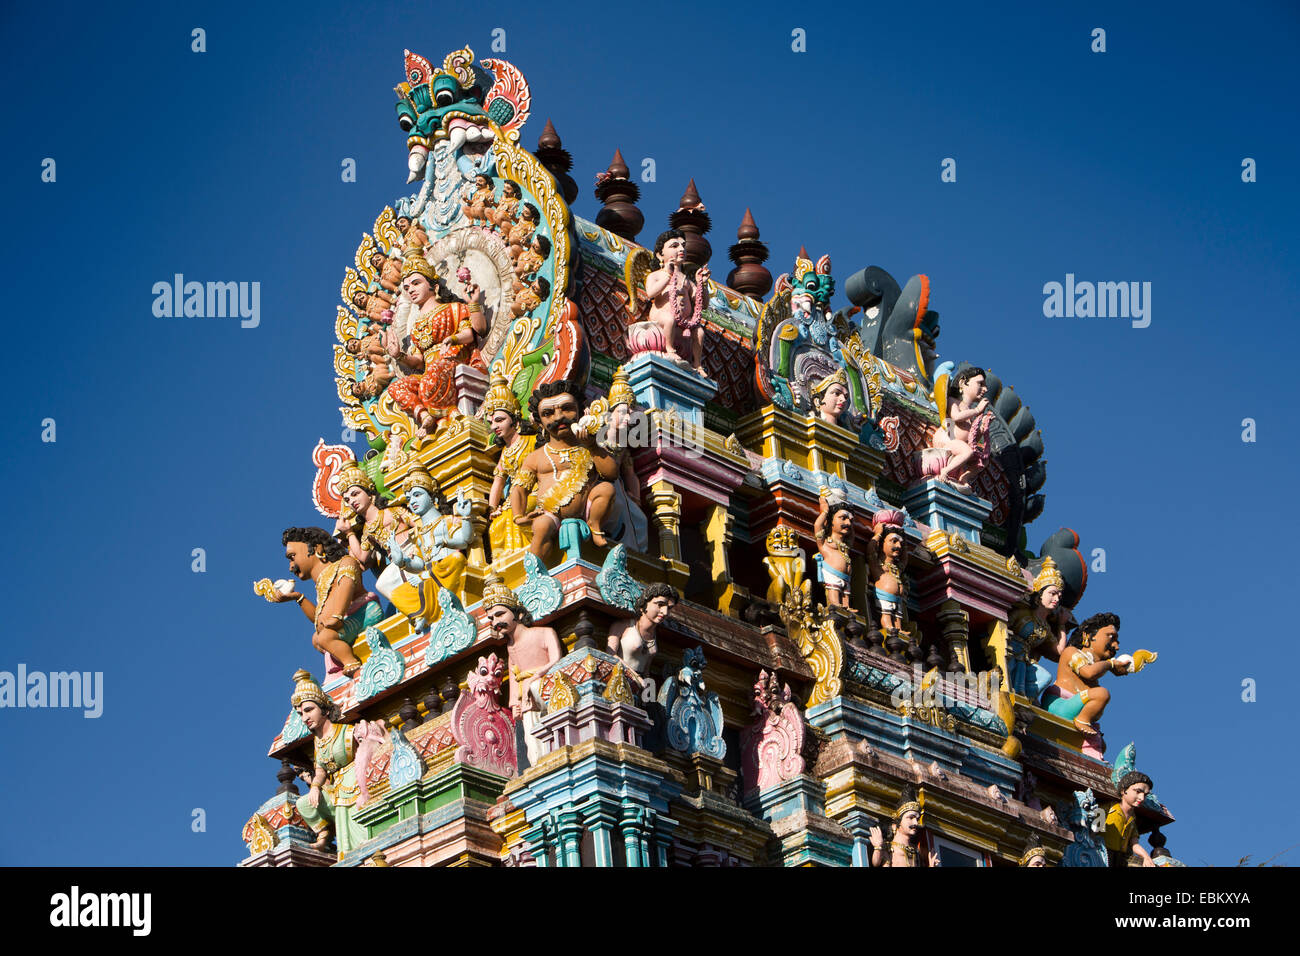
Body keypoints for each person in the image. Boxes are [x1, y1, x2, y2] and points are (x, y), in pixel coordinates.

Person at [510, 379, 624, 559]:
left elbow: (611, 473)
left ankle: (595, 525)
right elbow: (519, 489)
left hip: (587, 508)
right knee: (541, 527)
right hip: (549, 513)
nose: (558, 417)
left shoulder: (590, 446)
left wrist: (593, 446)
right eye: (548, 413)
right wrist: (518, 516)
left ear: (581, 412)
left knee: (606, 489)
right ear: (540, 423)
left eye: (566, 409)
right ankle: (537, 575)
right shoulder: (536, 457)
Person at [385, 254, 487, 436]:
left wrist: (452, 339)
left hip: (452, 359)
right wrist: (398, 355)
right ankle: (425, 416)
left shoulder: (453, 309)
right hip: (430, 371)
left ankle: (448, 414)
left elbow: (472, 333)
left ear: (435, 286)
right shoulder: (416, 327)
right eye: (407, 288)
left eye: (416, 283)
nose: (411, 290)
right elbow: (418, 361)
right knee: (396, 387)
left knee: (432, 376)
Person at [290, 669, 386, 858]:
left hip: (358, 783)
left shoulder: (348, 732)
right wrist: (315, 787)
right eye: (301, 713)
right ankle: (325, 832)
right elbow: (320, 771)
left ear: (324, 710)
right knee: (304, 803)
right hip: (338, 789)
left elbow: (371, 753)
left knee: (360, 829)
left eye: (309, 710)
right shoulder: (318, 742)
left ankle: (370, 854)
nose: (305, 718)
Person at [268, 527, 382, 679]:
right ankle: (340, 662)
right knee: (317, 638)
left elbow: (346, 587)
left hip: (365, 612)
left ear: (317, 548)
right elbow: (318, 617)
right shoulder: (321, 583)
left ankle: (352, 664)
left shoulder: (345, 563)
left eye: (292, 557)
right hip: (342, 622)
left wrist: (337, 616)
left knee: (325, 637)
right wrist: (298, 597)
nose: (291, 566)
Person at [482, 574, 564, 768]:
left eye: (500, 614)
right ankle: (539, 768)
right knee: (532, 738)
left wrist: (536, 678)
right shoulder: (511, 648)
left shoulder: (544, 633)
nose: (495, 622)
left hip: (548, 689)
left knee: (553, 730)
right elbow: (513, 676)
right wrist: (514, 702)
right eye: (491, 618)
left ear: (517, 614)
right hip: (526, 700)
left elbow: (556, 660)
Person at [1042, 612, 1131, 735]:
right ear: (1087, 636)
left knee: (1100, 744)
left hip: (1073, 708)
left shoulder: (1095, 680)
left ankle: (1083, 723)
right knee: (1102, 694)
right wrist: (1110, 664)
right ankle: (1082, 721)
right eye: (1111, 637)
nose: (1116, 647)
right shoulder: (1071, 652)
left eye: (1117, 642)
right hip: (1059, 705)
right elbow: (1088, 673)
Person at [481, 373, 536, 559]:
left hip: (535, 492)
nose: (495, 426)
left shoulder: (532, 441)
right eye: (491, 423)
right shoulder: (505, 452)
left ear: (515, 418)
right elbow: (498, 481)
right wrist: (491, 508)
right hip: (514, 498)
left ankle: (526, 555)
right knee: (496, 525)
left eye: (499, 420)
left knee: (515, 515)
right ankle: (508, 562)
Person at [643, 229, 710, 374]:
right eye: (674, 246)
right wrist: (668, 276)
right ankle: (670, 349)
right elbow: (650, 293)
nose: (681, 249)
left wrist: (702, 284)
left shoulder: (686, 280)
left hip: (684, 324)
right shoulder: (656, 275)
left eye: (683, 246)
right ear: (660, 254)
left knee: (699, 331)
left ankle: (697, 364)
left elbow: (703, 304)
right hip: (661, 316)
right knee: (669, 318)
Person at [1005, 557, 1070, 704]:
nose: (1056, 599)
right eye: (1052, 593)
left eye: (1059, 596)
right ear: (1040, 594)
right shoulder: (1022, 614)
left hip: (1024, 659)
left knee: (1045, 677)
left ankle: (1027, 701)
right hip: (1008, 652)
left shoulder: (1045, 627)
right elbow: (1003, 626)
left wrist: (1061, 625)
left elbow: (1059, 651)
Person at [926, 366, 994, 492]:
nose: (985, 389)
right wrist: (977, 410)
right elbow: (956, 417)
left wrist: (983, 427)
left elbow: (970, 438)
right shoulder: (953, 401)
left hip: (959, 444)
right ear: (963, 383)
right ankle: (945, 471)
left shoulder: (969, 412)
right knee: (967, 451)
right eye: (980, 383)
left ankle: (964, 478)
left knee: (982, 460)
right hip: (947, 439)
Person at [606, 583, 678, 696]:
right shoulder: (623, 626)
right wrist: (636, 677)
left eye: (669, 608)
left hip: (640, 689)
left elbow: (646, 670)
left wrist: (650, 694)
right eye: (660, 604)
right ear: (645, 603)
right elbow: (610, 655)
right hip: (619, 683)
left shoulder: (654, 635)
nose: (665, 612)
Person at [869, 790, 940, 867]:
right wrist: (878, 847)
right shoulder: (888, 847)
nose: (915, 823)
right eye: (911, 817)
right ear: (898, 821)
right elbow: (875, 863)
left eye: (917, 819)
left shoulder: (916, 852)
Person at [866, 510, 908, 631]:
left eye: (900, 543)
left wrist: (905, 544)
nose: (898, 546)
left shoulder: (897, 568)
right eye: (894, 541)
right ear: (881, 544)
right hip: (884, 596)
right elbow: (870, 551)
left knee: (898, 617)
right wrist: (878, 534)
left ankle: (898, 629)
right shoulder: (878, 566)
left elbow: (904, 560)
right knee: (887, 615)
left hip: (898, 599)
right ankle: (888, 628)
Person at [1105, 771, 1156, 867]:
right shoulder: (1106, 809)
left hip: (1121, 857)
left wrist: (1146, 857)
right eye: (1138, 792)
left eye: (1145, 795)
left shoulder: (1132, 819)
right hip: (1104, 853)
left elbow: (1134, 844)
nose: (1142, 798)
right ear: (1124, 791)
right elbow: (1094, 832)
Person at [813, 491, 854, 608]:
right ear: (831, 521)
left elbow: (852, 535)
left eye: (850, 520)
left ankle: (847, 606)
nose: (848, 523)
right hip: (832, 572)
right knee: (834, 591)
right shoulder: (825, 543)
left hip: (846, 577)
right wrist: (825, 511)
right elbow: (817, 526)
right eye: (843, 518)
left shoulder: (846, 544)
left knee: (846, 593)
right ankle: (835, 605)